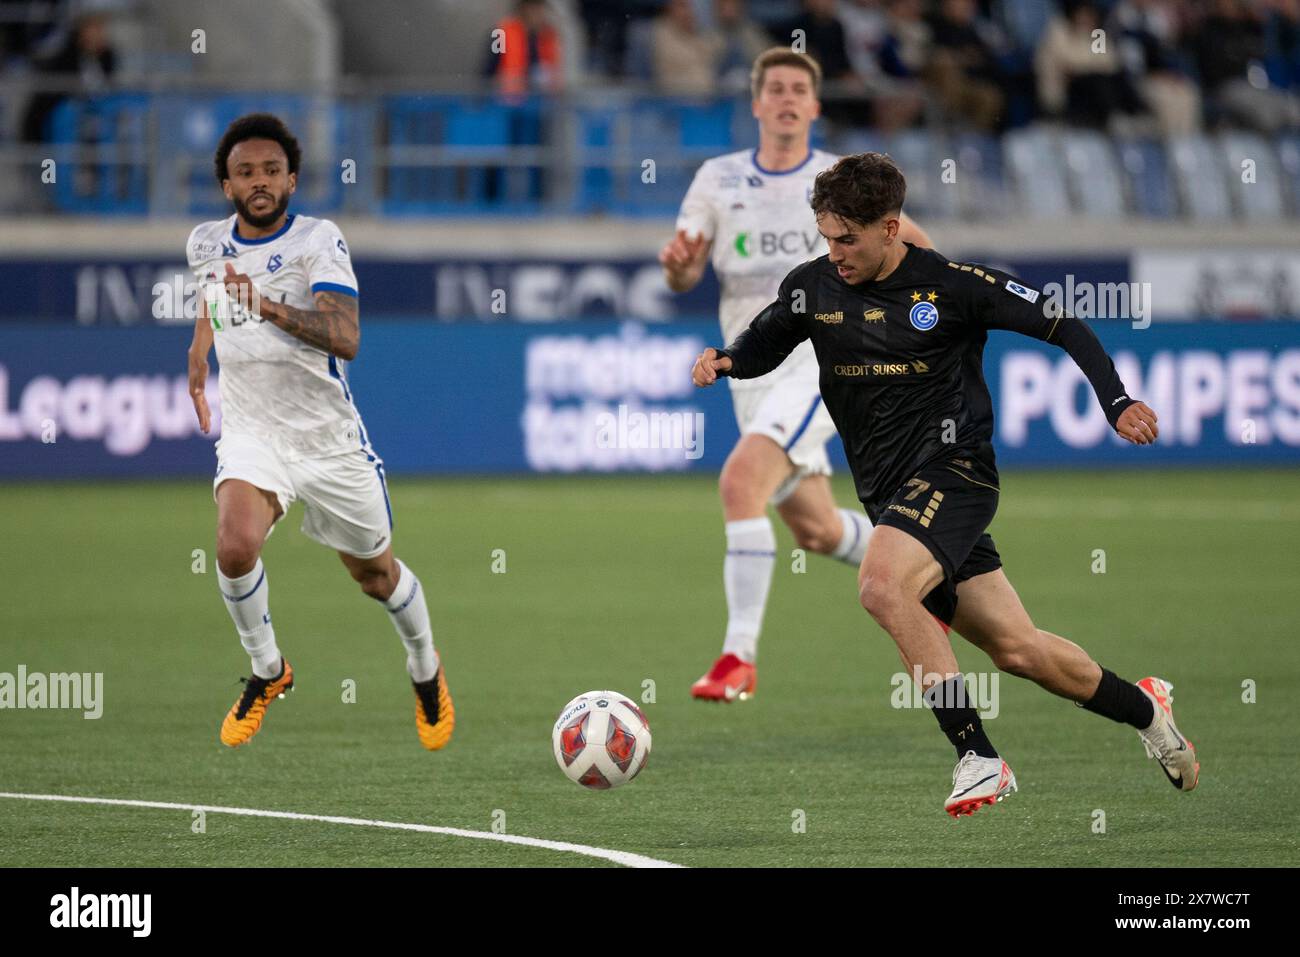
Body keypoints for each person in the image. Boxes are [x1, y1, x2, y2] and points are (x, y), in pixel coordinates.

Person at [690, 152, 1198, 815]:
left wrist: (1116, 401)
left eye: (848, 238)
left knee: (879, 585)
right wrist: (726, 360)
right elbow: (769, 338)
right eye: (826, 236)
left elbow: (1063, 323)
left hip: (955, 475)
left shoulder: (956, 285)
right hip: (888, 494)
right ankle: (1148, 711)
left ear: (891, 227)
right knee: (1020, 650)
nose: (834, 251)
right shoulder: (813, 287)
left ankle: (978, 756)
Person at [660, 49, 931, 702]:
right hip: (752, 370)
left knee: (739, 479)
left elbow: (915, 246)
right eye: (773, 88)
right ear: (756, 104)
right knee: (816, 529)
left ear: (813, 106)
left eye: (798, 90)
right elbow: (683, 273)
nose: (785, 98)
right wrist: (678, 265)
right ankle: (937, 563)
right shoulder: (717, 179)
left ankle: (737, 658)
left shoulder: (840, 183)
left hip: (819, 363)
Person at [185, 114, 453, 751]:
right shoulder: (202, 242)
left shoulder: (317, 242)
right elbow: (215, 298)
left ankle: (425, 667)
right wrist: (199, 351)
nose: (260, 181)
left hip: (328, 441)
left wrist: (269, 304)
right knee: (233, 545)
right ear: (227, 185)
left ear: (291, 180)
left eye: (271, 171)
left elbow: (347, 337)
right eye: (245, 172)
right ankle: (268, 670)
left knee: (376, 576)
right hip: (254, 432)